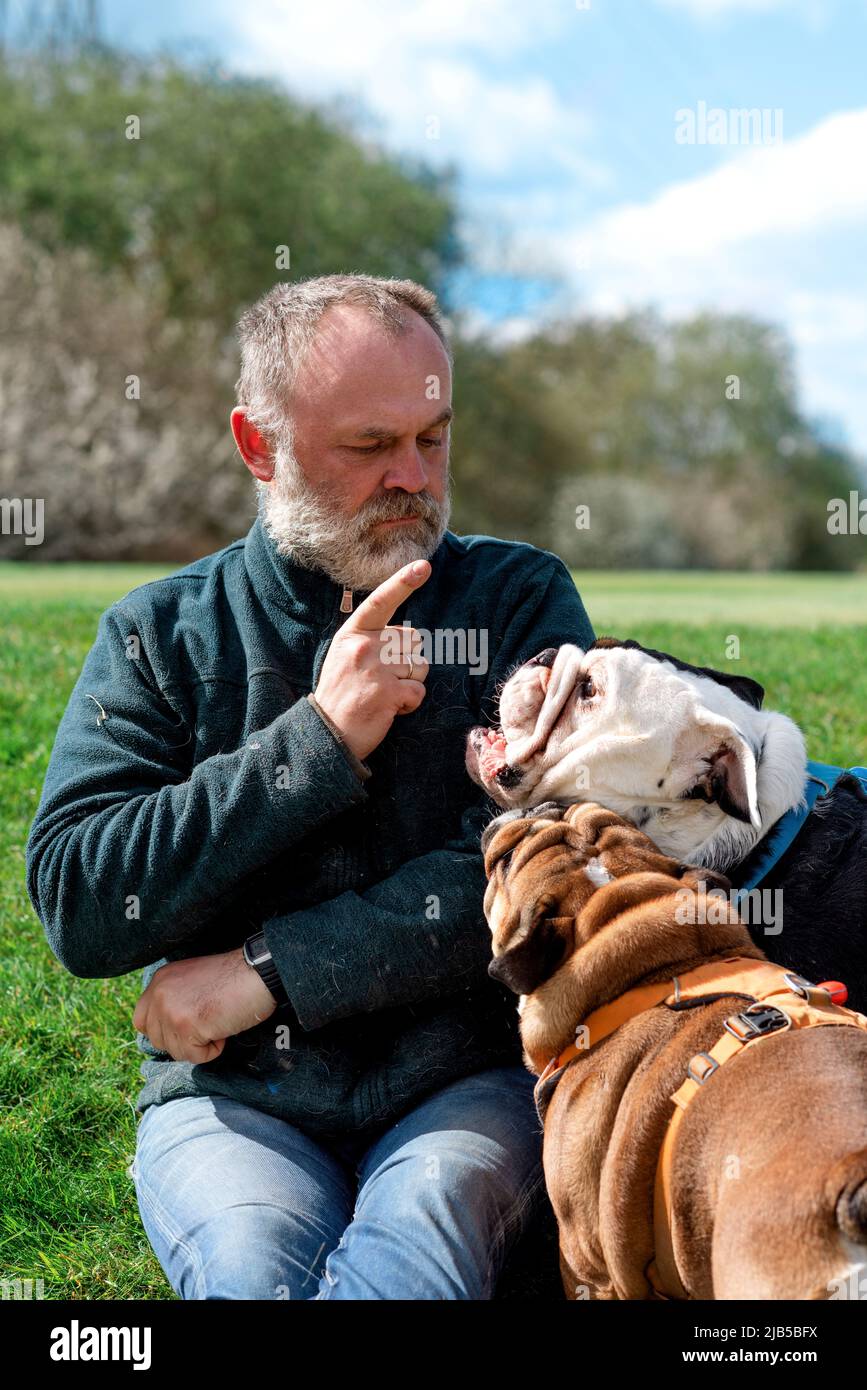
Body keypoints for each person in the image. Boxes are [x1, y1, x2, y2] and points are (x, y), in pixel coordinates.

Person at [26, 273, 595, 1300]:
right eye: (370, 447)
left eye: (434, 436)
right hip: (236, 1099)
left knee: (412, 1256)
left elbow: (546, 861)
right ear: (259, 445)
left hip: (468, 1082)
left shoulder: (520, 597)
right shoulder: (160, 634)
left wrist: (267, 971)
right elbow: (80, 897)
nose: (414, 476)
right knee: (248, 1270)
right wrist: (318, 740)